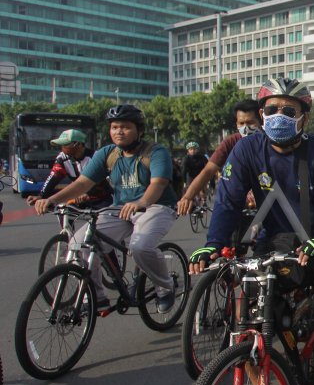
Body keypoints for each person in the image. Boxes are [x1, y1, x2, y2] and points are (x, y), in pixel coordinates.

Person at [189, 76, 314, 379]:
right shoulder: (246, 150)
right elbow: (228, 201)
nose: (278, 116)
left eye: (289, 111)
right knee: (244, 320)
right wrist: (214, 242)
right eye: (271, 110)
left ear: (304, 118)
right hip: (273, 242)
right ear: (262, 115)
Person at [32, 104, 180, 313]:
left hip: (156, 206)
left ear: (139, 130)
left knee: (140, 247)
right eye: (114, 127)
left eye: (125, 127)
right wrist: (51, 200)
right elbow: (83, 183)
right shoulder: (107, 153)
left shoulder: (155, 152)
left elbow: (158, 183)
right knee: (79, 243)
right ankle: (97, 297)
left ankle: (165, 287)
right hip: (120, 209)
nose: (119, 131)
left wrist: (141, 203)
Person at [178, 99, 262, 216]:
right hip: (233, 199)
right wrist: (188, 196)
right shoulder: (230, 142)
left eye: (250, 122)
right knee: (217, 233)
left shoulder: (270, 142)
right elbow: (208, 171)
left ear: (261, 120)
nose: (246, 127)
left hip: (266, 197)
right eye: (241, 123)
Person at [30, 128, 111, 209]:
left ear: (78, 144)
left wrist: (87, 194)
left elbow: (102, 180)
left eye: (65, 144)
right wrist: (41, 196)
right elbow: (53, 177)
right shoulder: (62, 158)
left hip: (101, 199)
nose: (62, 148)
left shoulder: (96, 157)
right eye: (61, 145)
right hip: (77, 199)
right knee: (63, 211)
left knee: (102, 219)